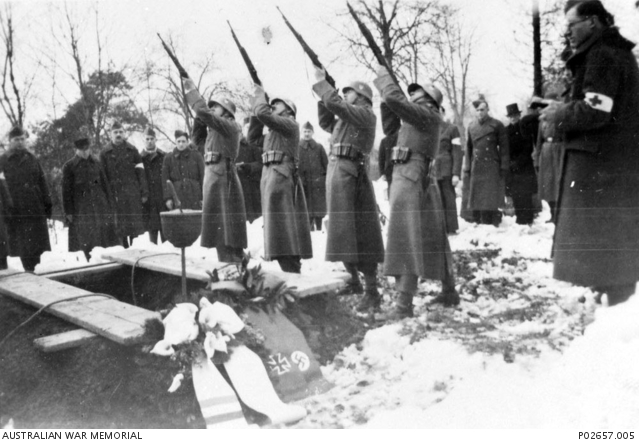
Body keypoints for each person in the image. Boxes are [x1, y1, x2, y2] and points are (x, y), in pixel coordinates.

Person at [540, 0, 639, 306]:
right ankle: (610, 298)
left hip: (602, 164)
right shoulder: (614, 51)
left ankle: (614, 309)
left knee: (604, 240)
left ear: (593, 22)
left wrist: (560, 112)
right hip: (613, 162)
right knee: (608, 240)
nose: (567, 31)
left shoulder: (601, 54)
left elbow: (597, 109)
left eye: (572, 24)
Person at [374, 67, 459, 319]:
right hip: (412, 174)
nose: (412, 95)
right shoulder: (418, 118)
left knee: (405, 235)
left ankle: (403, 305)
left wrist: (385, 78)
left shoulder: (429, 114)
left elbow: (394, 99)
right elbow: (391, 123)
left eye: (417, 92)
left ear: (429, 99)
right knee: (432, 234)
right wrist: (385, 92)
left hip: (411, 174)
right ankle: (449, 290)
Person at [313, 67, 384, 309]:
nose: (344, 96)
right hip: (338, 172)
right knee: (341, 230)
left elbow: (338, 106)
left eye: (349, 92)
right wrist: (326, 94)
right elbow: (325, 120)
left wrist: (324, 84)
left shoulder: (365, 114)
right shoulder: (347, 118)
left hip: (352, 174)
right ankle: (354, 281)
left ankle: (372, 290)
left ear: (363, 97)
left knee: (361, 232)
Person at [248, 85, 312, 273]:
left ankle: (292, 267)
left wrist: (260, 97)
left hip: (281, 176)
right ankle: (288, 266)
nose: (273, 105)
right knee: (277, 228)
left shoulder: (290, 124)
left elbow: (263, 113)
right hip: (270, 176)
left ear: (289, 110)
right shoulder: (273, 133)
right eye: (272, 103)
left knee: (284, 227)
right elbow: (252, 138)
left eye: (278, 103)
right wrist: (255, 112)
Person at [183, 78, 247, 263]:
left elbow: (203, 111)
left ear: (226, 112)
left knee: (226, 230)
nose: (211, 110)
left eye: (215, 107)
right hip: (214, 178)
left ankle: (234, 264)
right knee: (220, 230)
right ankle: (230, 263)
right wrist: (199, 119)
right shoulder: (215, 132)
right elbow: (197, 140)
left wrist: (190, 89)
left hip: (222, 178)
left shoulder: (230, 126)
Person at [0, 126, 52, 271]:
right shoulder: (3, 160)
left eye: (22, 139)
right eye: (16, 140)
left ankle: (35, 271)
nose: (20, 142)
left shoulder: (32, 158)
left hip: (35, 207)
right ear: (10, 141)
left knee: (37, 245)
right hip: (16, 209)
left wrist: (48, 203)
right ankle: (28, 272)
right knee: (23, 246)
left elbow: (42, 181)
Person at [62, 137, 120, 261]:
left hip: (100, 206)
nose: (85, 152)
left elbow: (105, 185)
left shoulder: (97, 163)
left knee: (104, 237)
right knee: (85, 238)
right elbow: (66, 192)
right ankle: (88, 262)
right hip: (81, 208)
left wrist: (110, 205)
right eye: (81, 150)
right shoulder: (69, 166)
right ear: (76, 150)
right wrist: (69, 212)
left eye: (87, 149)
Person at [100, 121, 148, 248]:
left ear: (124, 133)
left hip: (132, 195)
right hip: (115, 196)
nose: (118, 134)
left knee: (134, 229)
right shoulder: (104, 153)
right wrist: (106, 198)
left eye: (121, 132)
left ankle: (134, 251)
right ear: (111, 134)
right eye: (115, 132)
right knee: (119, 229)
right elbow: (102, 178)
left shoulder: (132, 150)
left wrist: (144, 192)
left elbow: (141, 172)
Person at [463, 99, 509, 226]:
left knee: (491, 194)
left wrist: (504, 165)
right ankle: (479, 220)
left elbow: (504, 148)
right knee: (478, 194)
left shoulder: (496, 125)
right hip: (477, 165)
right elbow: (469, 148)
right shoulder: (471, 126)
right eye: (477, 110)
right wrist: (467, 166)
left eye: (482, 110)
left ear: (488, 110)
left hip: (492, 164)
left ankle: (493, 219)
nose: (480, 112)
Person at [532, 91, 563, 223]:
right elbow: (539, 141)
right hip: (546, 152)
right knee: (547, 185)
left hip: (558, 151)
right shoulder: (542, 120)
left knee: (557, 184)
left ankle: (559, 215)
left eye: (551, 104)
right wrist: (537, 159)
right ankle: (552, 214)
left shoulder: (562, 118)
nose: (548, 107)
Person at [505, 103, 537, 225]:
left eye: (515, 115)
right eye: (511, 116)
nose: (513, 118)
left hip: (524, 166)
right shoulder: (506, 131)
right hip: (512, 167)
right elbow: (504, 149)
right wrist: (510, 163)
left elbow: (528, 147)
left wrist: (519, 162)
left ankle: (528, 218)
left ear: (519, 115)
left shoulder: (525, 128)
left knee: (526, 193)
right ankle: (519, 218)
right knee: (515, 193)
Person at [434, 107, 462, 234]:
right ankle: (439, 228)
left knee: (449, 199)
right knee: (435, 199)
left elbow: (457, 152)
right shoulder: (429, 130)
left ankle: (451, 228)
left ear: (443, 113)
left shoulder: (452, 129)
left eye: (439, 112)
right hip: (433, 170)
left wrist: (456, 173)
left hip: (447, 170)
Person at [162, 130, 204, 211]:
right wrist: (168, 198)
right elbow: (165, 180)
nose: (181, 144)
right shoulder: (168, 158)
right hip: (177, 196)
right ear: (175, 142)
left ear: (187, 142)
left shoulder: (196, 156)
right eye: (179, 141)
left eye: (183, 141)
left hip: (194, 195)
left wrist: (203, 197)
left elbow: (203, 177)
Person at [298, 122, 328, 231]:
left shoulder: (319, 148)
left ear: (313, 133)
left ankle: (319, 229)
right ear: (302, 132)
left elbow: (326, 165)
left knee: (318, 208)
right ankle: (309, 230)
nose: (307, 134)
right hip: (304, 183)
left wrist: (322, 179)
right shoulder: (297, 148)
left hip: (317, 184)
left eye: (309, 131)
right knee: (306, 208)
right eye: (305, 131)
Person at [141, 126, 166, 244]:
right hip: (149, 198)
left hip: (162, 196)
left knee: (165, 229)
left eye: (152, 138)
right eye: (147, 139)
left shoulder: (163, 156)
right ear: (143, 140)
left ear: (156, 140)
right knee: (152, 230)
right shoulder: (139, 158)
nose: (149, 141)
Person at [236, 117, 263, 223]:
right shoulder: (225, 148)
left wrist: (247, 166)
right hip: (231, 186)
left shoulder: (251, 147)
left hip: (249, 188)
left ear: (241, 133)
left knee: (251, 219)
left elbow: (260, 164)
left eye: (237, 133)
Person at [377, 101, 400, 195]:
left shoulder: (401, 136)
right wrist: (382, 172)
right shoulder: (384, 141)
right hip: (389, 173)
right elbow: (381, 158)